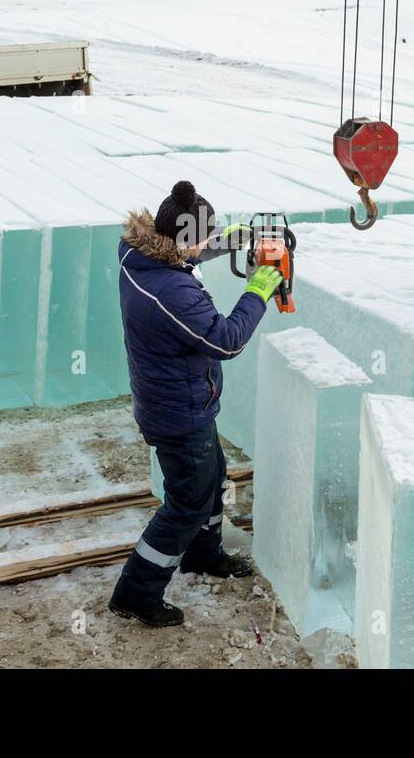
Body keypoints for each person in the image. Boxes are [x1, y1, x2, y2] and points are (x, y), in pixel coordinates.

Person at [109, 181, 281, 627]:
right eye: (209, 236)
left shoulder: (137, 255)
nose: (211, 243)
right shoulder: (173, 293)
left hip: (180, 400)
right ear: (186, 239)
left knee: (214, 477)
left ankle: (204, 555)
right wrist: (259, 289)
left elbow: (182, 250)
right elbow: (224, 341)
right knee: (186, 503)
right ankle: (137, 592)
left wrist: (228, 241)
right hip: (177, 413)